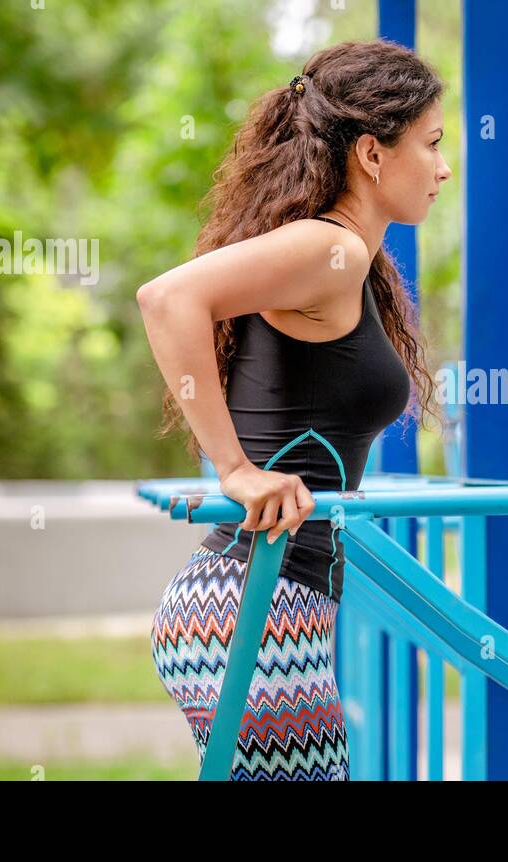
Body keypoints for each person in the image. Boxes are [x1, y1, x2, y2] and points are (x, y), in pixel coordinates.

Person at [136, 38, 451, 781]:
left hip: (270, 604)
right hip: (253, 606)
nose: (443, 168)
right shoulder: (330, 250)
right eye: (431, 144)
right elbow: (168, 297)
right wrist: (237, 470)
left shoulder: (349, 258)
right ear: (373, 154)